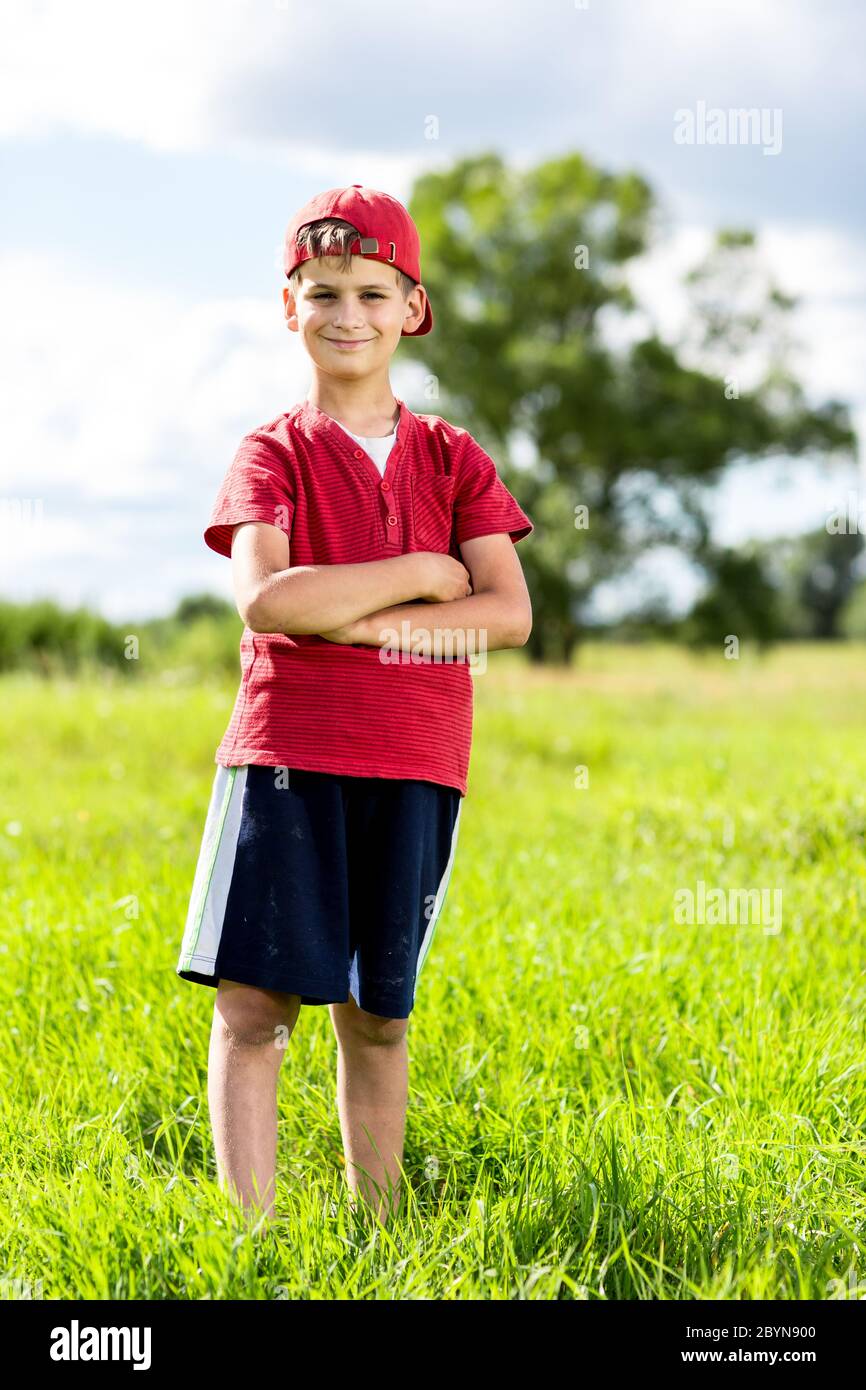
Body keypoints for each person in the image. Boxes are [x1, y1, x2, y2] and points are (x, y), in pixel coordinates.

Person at [175, 184, 534, 1226]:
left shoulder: (451, 457)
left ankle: (375, 1235)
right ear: (289, 306)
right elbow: (268, 597)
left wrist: (347, 616)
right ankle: (253, 1234)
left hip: (416, 758)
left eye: (372, 293)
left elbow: (506, 612)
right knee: (255, 1008)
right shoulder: (271, 453)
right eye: (322, 292)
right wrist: (421, 571)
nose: (347, 315)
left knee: (378, 1014)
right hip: (287, 751)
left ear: (410, 308)